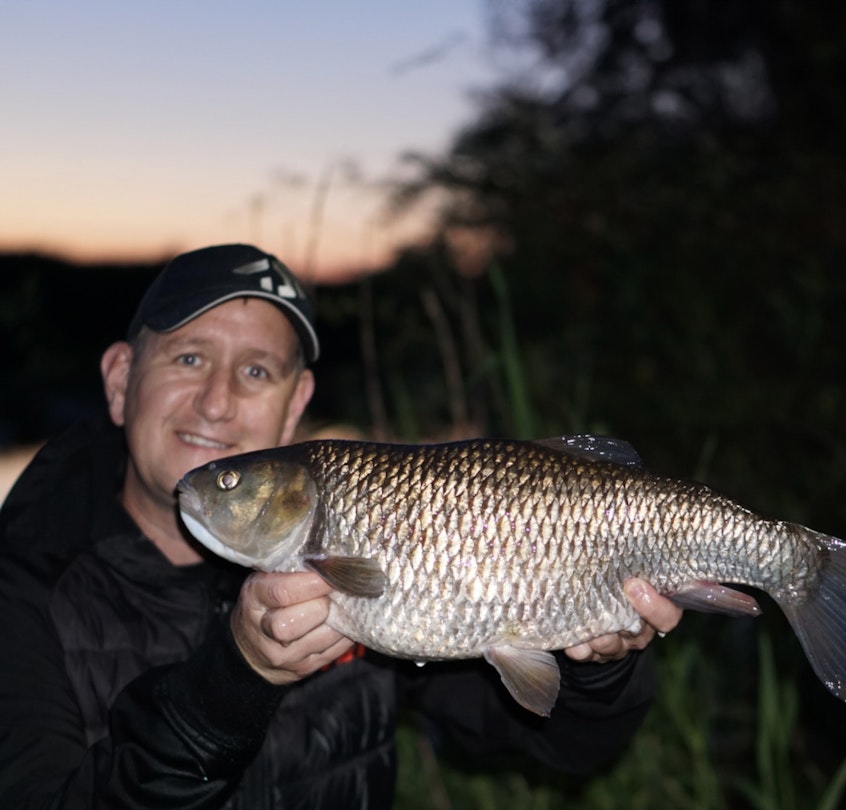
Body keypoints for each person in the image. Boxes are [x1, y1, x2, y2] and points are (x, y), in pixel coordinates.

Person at [0, 244, 682, 808]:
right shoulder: (24, 585)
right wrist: (234, 679)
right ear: (120, 380)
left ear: (295, 405)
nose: (217, 402)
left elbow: (561, 745)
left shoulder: (368, 541)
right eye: (188, 357)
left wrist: (596, 668)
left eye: (256, 370)